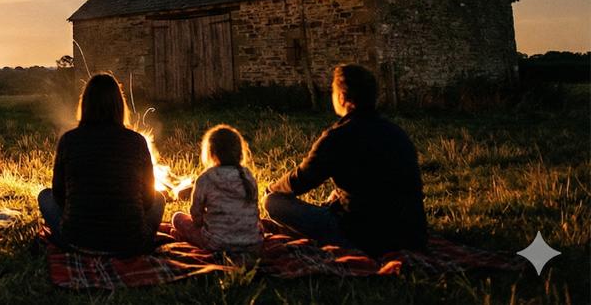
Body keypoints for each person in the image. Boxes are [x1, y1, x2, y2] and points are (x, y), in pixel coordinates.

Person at [264, 63, 428, 255]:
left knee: (272, 201)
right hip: (411, 235)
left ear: (342, 97)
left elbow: (300, 180)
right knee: (337, 198)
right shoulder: (397, 133)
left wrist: (272, 188)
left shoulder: (338, 136)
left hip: (362, 237)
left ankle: (340, 237)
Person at [37, 73, 164, 255]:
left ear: (85, 104)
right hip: (131, 243)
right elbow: (148, 198)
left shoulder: (69, 140)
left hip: (77, 241)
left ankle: (79, 236)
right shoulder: (136, 141)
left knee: (45, 196)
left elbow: (58, 194)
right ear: (120, 105)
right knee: (160, 198)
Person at [169, 124, 262, 252]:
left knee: (177, 218)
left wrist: (205, 224)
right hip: (253, 243)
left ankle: (184, 237)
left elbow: (196, 214)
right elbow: (255, 210)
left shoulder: (206, 178)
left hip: (217, 244)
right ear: (240, 151)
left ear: (211, 152)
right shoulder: (247, 176)